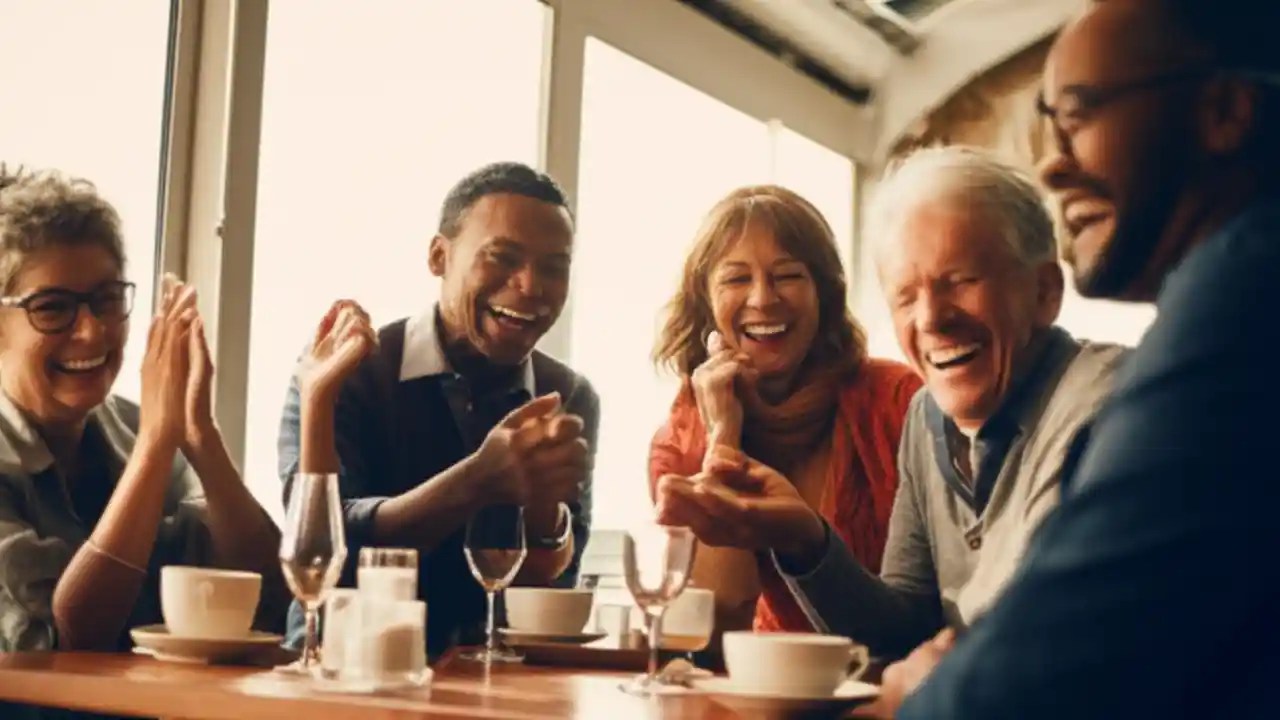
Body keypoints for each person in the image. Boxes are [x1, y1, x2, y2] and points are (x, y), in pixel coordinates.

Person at [863, 1, 1280, 717]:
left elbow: (1042, 675)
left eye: (1081, 115)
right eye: (1049, 124)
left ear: (1226, 111)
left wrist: (918, 698)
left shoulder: (1241, 296)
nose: (1053, 165)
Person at [750, 147, 1126, 658]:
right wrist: (803, 540)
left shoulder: (1108, 403)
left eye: (961, 281)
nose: (931, 319)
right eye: (906, 295)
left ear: (1044, 292)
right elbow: (903, 627)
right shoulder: (925, 418)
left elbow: (1047, 644)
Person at [277, 162, 598, 658]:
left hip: (490, 687)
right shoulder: (346, 371)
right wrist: (478, 480)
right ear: (438, 256)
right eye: (503, 257)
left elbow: (550, 587)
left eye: (554, 266)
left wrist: (541, 510)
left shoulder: (567, 394)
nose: (531, 285)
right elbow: (325, 546)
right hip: (347, 672)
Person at [0, 167, 286, 655]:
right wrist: (156, 444)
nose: (91, 332)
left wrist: (200, 437)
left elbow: (269, 595)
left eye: (107, 300)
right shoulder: (150, 433)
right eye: (52, 307)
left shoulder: (136, 426)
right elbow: (68, 640)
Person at [648, 185, 921, 641]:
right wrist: (724, 433)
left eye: (788, 275)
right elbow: (717, 615)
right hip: (764, 689)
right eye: (736, 279)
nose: (763, 298)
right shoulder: (679, 437)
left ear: (824, 294)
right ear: (706, 306)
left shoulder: (899, 401)